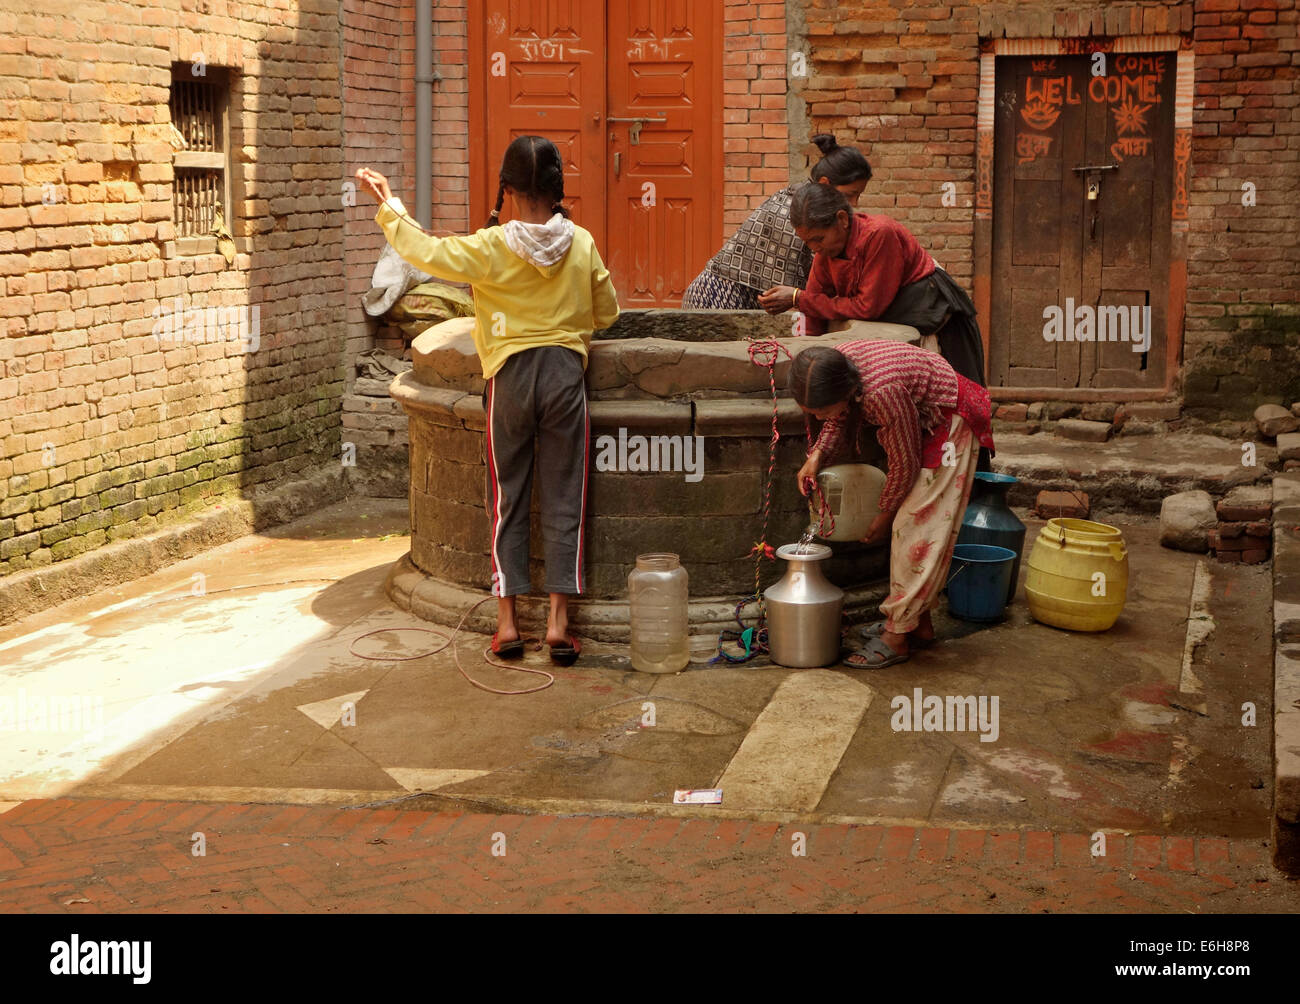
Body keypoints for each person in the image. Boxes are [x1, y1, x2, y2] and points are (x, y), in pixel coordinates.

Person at [356, 136, 620, 666]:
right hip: (566, 376)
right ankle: (559, 623)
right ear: (556, 188)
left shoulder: (490, 246)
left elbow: (425, 251)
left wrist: (389, 206)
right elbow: (607, 313)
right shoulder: (583, 242)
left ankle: (506, 625)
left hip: (511, 378)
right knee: (567, 493)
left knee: (508, 498)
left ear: (510, 190)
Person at [790, 340, 995, 669]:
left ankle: (897, 636)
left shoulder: (880, 393)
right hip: (928, 416)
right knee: (916, 525)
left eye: (822, 411)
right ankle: (919, 625)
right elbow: (838, 416)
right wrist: (816, 456)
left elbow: (905, 464)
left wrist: (884, 514)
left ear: (847, 391)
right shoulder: (836, 368)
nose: (818, 417)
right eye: (811, 411)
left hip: (952, 418)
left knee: (913, 526)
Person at [758, 182, 987, 388]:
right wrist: (809, 363)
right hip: (898, 328)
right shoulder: (825, 254)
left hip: (940, 325)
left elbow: (867, 307)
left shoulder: (879, 234)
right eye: (807, 242)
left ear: (843, 220)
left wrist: (798, 298)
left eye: (819, 239)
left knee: (960, 404)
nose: (814, 248)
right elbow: (815, 309)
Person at [681, 135, 872, 310]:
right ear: (824, 183)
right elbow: (820, 285)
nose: (854, 204)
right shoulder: (799, 212)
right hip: (717, 300)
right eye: (849, 195)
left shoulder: (806, 202)